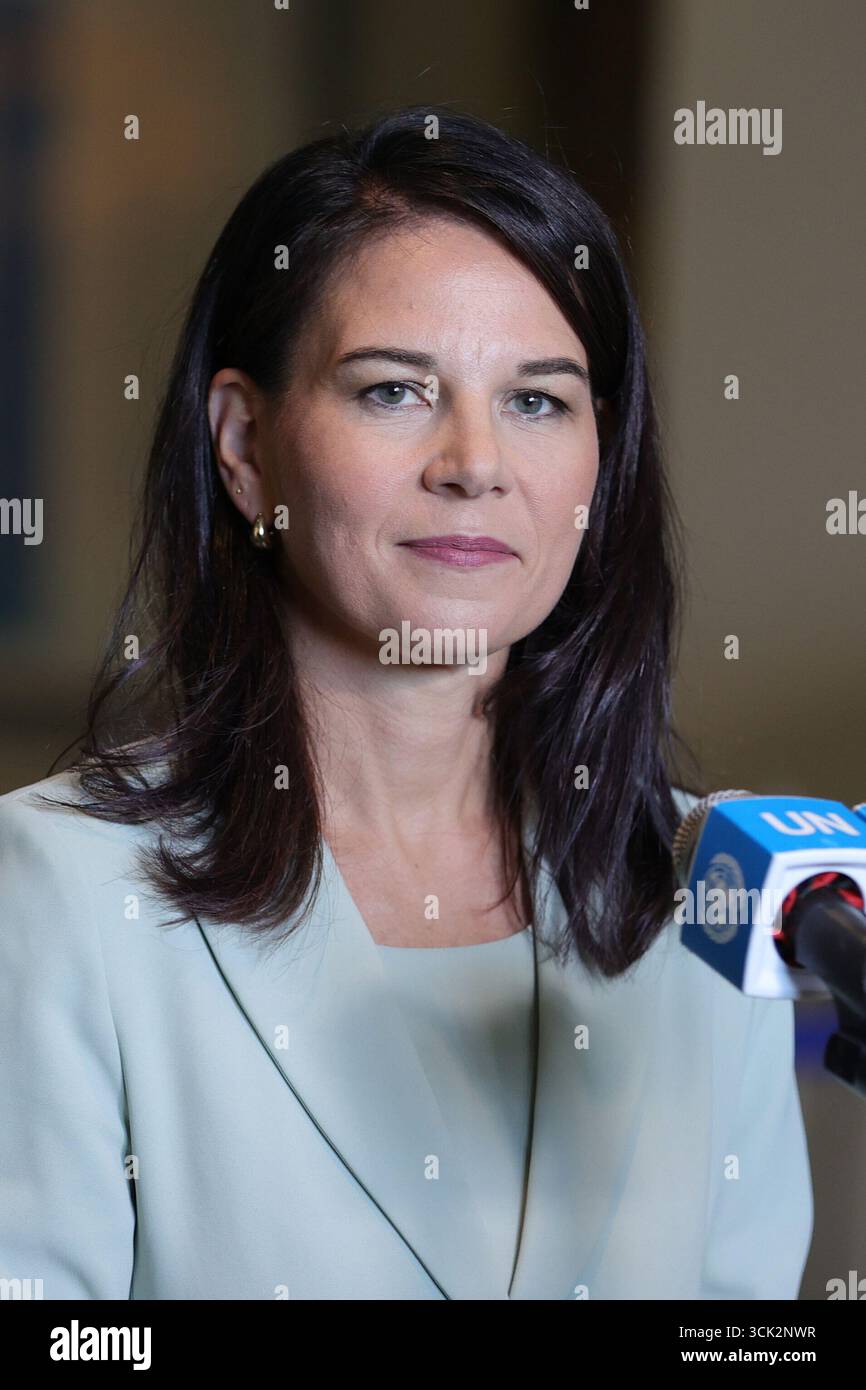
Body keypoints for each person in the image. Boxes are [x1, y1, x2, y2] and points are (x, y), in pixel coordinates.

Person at [0, 105, 812, 1300]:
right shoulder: (60, 892)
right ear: (244, 443)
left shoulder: (710, 891)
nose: (475, 461)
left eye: (538, 400)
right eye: (393, 390)